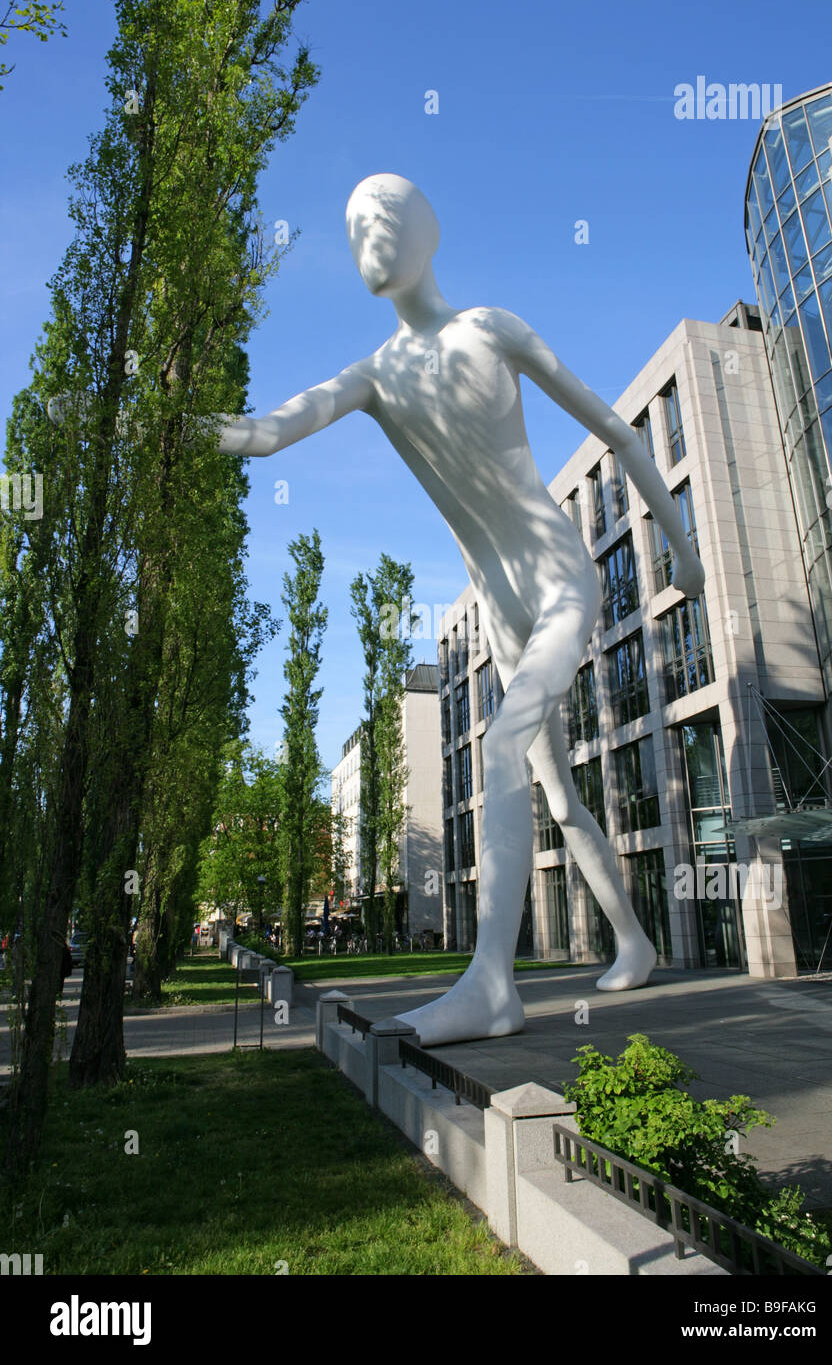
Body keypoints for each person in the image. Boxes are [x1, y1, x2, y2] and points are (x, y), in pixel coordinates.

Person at [218, 173, 705, 1045]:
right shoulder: (373, 374)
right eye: (353, 228)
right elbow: (269, 429)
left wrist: (687, 552)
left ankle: (492, 984)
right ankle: (632, 939)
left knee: (506, 744)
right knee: (555, 793)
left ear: (427, 231)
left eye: (385, 220)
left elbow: (621, 432)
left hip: (559, 580)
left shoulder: (490, 329)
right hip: (500, 611)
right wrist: (163, 424)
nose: (368, 238)